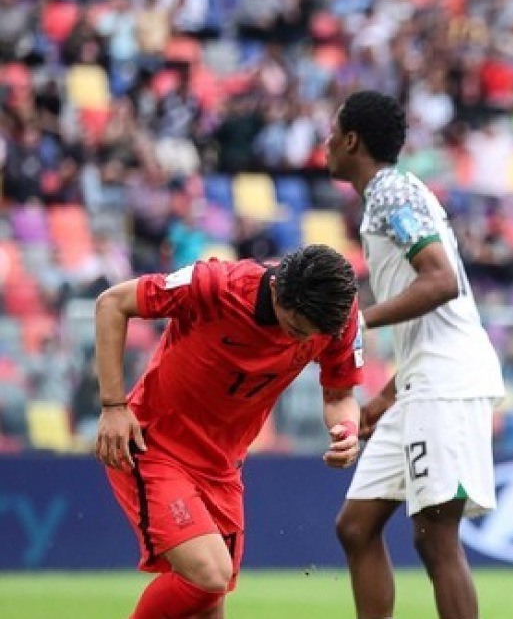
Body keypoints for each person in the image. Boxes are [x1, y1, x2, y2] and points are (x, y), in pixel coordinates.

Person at [94, 244, 364, 619]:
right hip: (154, 444)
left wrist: (346, 428)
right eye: (297, 329)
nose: (302, 342)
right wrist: (113, 406)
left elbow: (340, 395)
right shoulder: (217, 286)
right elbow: (113, 302)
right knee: (208, 576)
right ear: (276, 292)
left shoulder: (337, 314)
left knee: (209, 604)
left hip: (223, 467)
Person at [326, 90, 505, 619]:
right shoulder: (390, 195)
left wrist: (355, 320)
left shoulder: (390, 192)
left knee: (435, 536)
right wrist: (384, 397)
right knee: (356, 527)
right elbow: (431, 319)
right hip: (423, 382)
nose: (327, 143)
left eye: (333, 132)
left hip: (448, 383)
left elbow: (441, 282)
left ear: (352, 139)